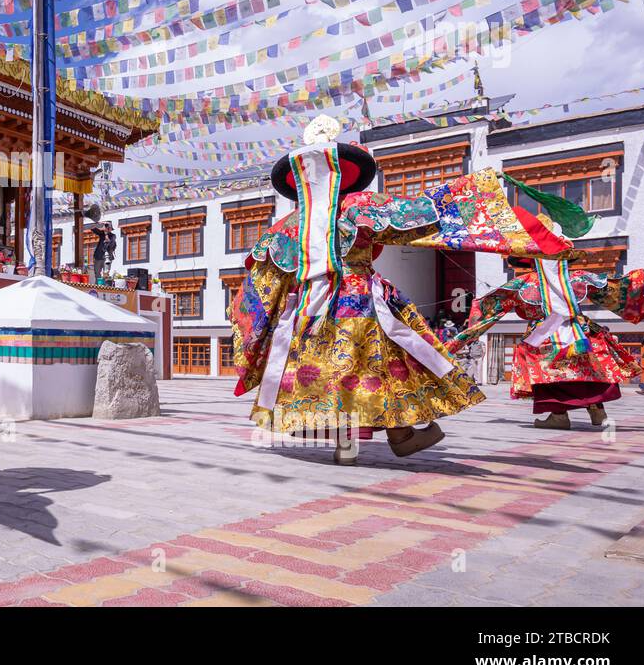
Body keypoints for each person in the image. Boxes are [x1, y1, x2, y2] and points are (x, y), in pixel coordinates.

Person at [230, 115, 575, 464]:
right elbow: (421, 214)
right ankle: (400, 432)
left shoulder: (285, 228)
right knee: (376, 366)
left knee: (329, 371)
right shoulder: (357, 207)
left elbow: (260, 287)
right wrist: (477, 190)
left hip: (307, 313)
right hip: (358, 301)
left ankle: (354, 442)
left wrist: (256, 332)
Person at [450, 245, 644, 426]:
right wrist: (639, 280)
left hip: (544, 336)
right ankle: (597, 410)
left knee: (551, 373)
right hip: (579, 331)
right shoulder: (576, 277)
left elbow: (491, 304)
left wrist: (468, 329)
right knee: (587, 369)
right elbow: (613, 287)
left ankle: (559, 415)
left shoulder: (523, 283)